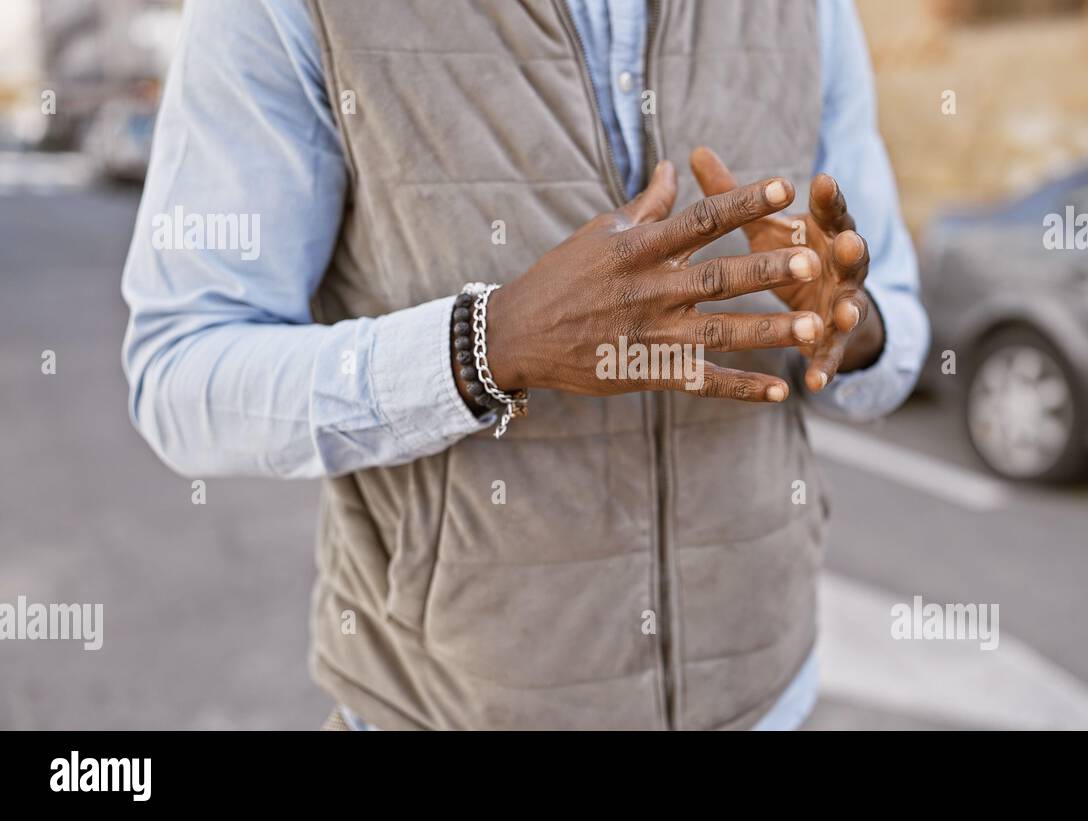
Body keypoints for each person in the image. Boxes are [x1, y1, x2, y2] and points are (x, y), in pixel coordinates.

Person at [122, 0, 929, 730]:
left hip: (769, 699)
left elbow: (891, 323)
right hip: (441, 709)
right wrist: (487, 344)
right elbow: (180, 371)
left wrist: (847, 326)